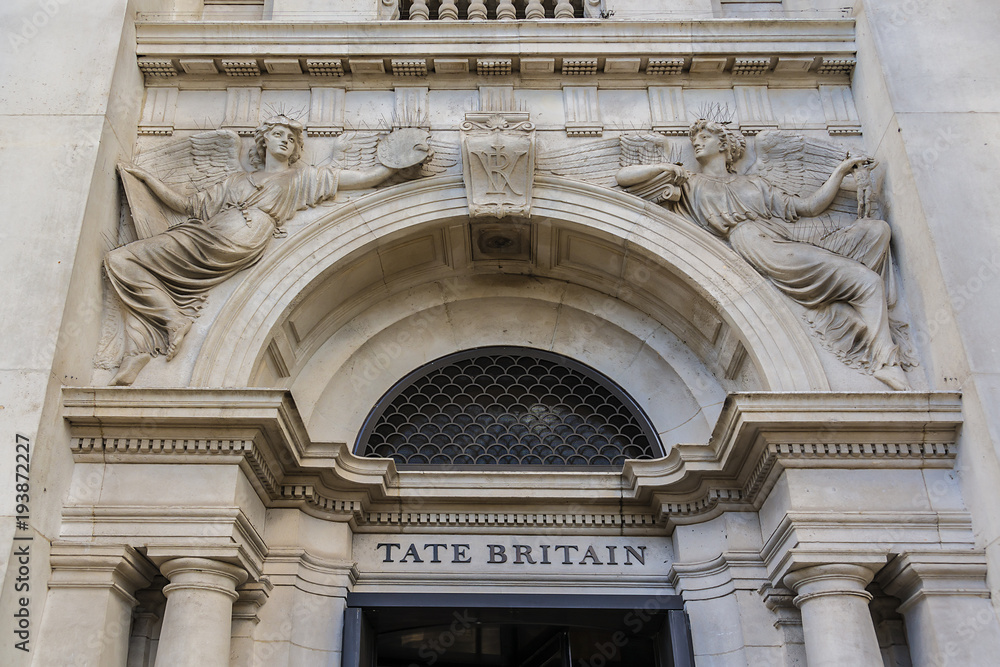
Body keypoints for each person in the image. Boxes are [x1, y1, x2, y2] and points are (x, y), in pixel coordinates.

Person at [105, 115, 421, 385]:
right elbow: (188, 206)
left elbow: (363, 179)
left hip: (238, 239)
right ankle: (157, 333)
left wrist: (394, 162)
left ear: (298, 149)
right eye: (278, 135)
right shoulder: (235, 180)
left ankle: (163, 329)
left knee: (129, 260)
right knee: (119, 259)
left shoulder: (301, 177)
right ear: (264, 141)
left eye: (292, 139)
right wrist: (148, 179)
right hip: (200, 233)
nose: (285, 141)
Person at [617, 119, 909, 390]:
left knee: (876, 230)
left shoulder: (754, 183)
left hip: (782, 238)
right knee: (867, 281)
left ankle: (860, 328)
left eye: (704, 137)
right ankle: (885, 361)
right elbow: (624, 178)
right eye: (694, 139)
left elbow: (807, 208)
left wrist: (840, 172)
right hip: (756, 244)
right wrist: (666, 170)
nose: (696, 143)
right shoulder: (690, 183)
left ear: (724, 144)